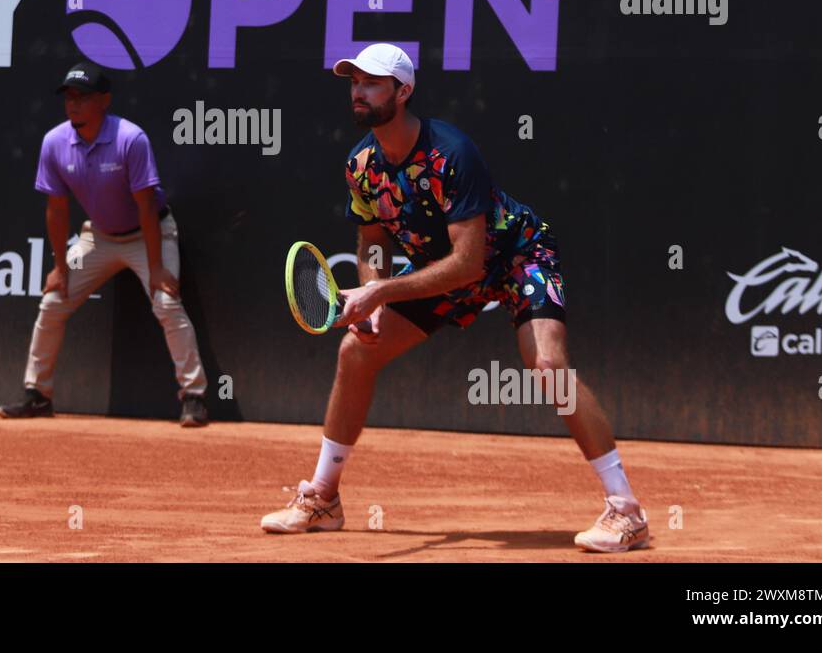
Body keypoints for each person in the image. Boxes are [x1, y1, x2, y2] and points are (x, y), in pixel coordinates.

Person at [260, 43, 649, 551]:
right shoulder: (360, 166)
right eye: (354, 82)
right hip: (438, 270)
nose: (358, 91)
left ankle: (627, 512)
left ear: (403, 92)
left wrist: (378, 292)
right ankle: (323, 499)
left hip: (515, 256)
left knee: (549, 367)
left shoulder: (452, 154)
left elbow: (467, 264)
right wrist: (371, 298)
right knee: (357, 351)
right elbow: (372, 244)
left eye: (372, 83)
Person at [0, 61, 210, 427]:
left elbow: (146, 206)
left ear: (104, 101)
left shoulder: (131, 139)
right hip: (96, 238)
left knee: (165, 302)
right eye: (69, 97)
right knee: (52, 301)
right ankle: (37, 395)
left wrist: (157, 267)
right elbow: (56, 210)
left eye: (83, 97)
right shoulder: (54, 143)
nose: (74, 104)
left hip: (150, 235)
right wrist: (61, 267)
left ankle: (194, 397)